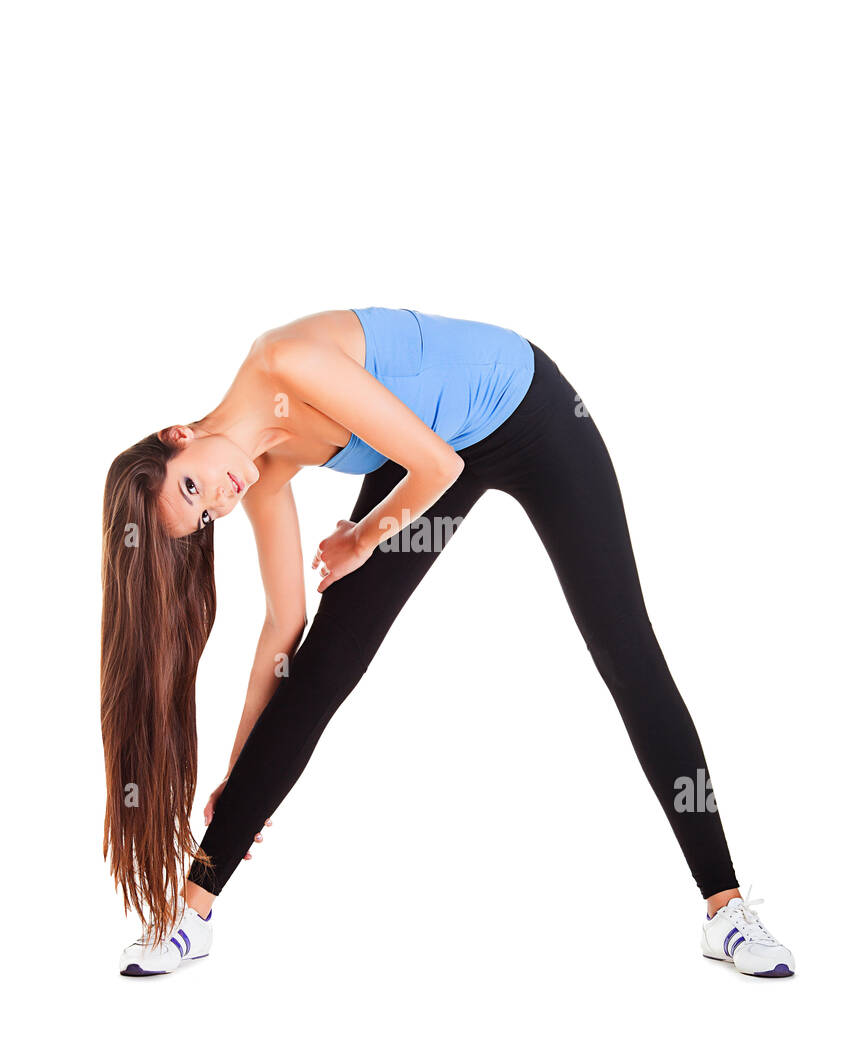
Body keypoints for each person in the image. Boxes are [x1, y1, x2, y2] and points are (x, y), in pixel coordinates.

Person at [101, 307, 795, 978]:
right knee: (326, 664)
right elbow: (283, 630)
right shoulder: (260, 479)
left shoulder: (283, 360)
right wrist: (241, 773)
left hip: (527, 414)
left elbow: (438, 467)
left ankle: (725, 908)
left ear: (177, 434)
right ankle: (190, 916)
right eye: (204, 517)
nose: (218, 502)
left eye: (192, 487)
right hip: (424, 454)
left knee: (625, 648)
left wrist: (361, 537)